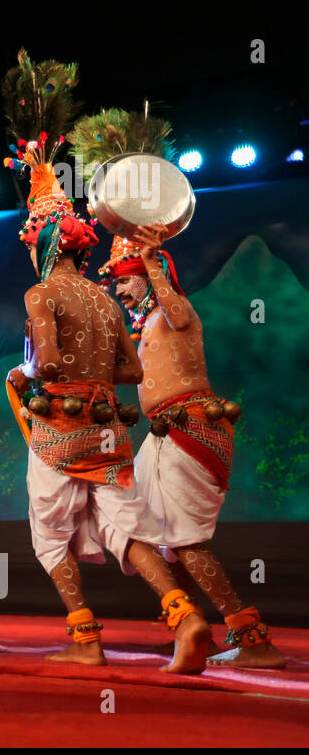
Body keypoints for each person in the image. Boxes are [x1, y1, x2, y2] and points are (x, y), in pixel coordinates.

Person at [5, 159, 210, 673]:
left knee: (48, 534)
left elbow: (48, 363)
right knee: (125, 528)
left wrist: (28, 370)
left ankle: (86, 638)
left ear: (47, 243)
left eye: (32, 245)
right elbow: (134, 371)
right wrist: (93, 375)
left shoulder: (41, 293)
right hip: (108, 429)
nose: (31, 254)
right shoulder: (106, 302)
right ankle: (184, 618)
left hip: (61, 428)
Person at [106, 224, 283, 668]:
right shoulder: (147, 325)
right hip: (163, 434)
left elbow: (180, 314)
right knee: (153, 535)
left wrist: (152, 264)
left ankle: (253, 639)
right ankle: (192, 628)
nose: (120, 291)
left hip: (189, 427)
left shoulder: (174, 312)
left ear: (148, 277)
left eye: (125, 281)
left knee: (184, 541)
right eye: (117, 283)